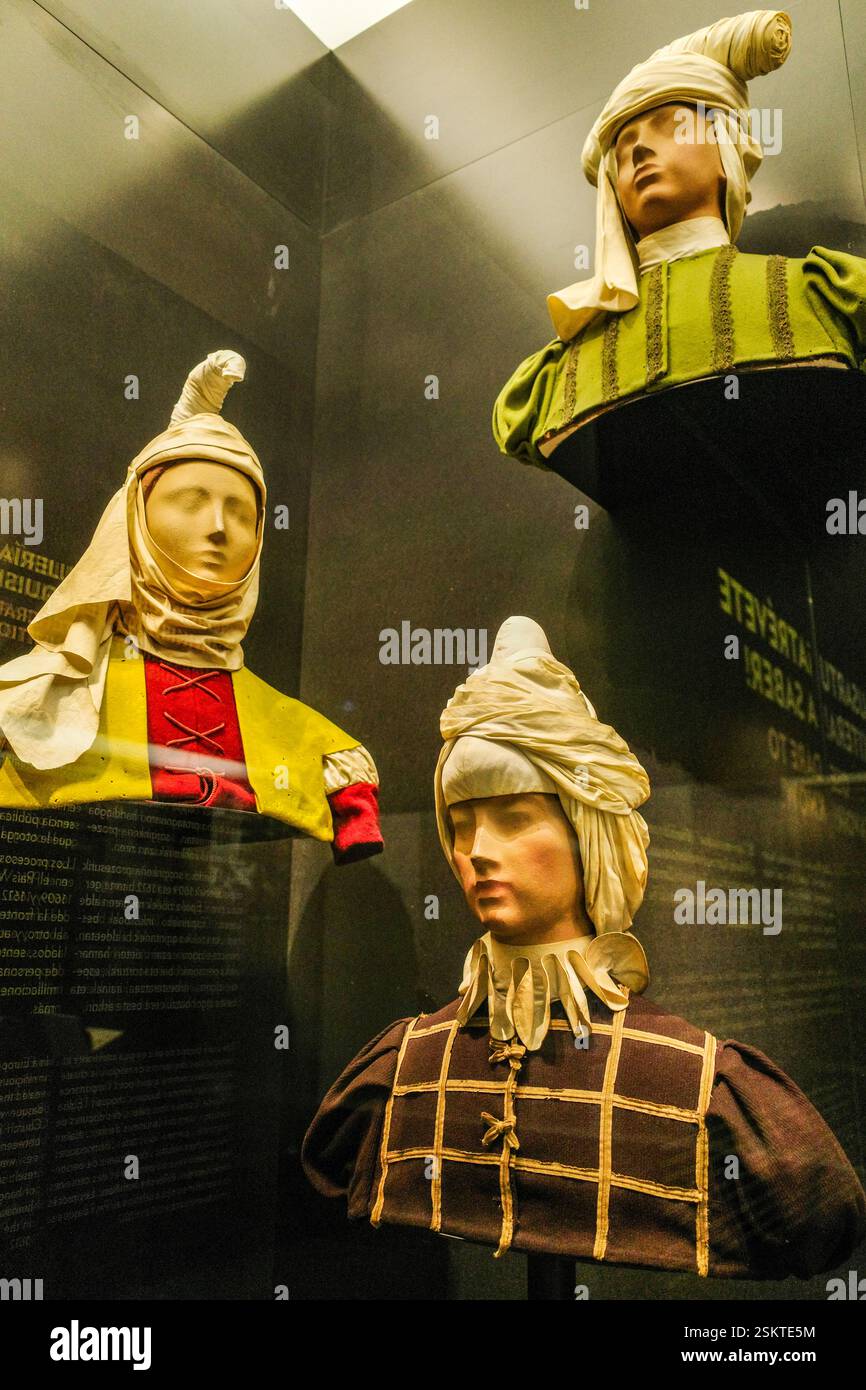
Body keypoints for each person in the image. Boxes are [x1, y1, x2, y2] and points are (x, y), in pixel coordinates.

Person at [302, 616, 866, 1277]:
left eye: (514, 819)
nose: (478, 852)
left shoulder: (698, 1086)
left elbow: (817, 1219)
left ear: (588, 833)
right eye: (460, 825)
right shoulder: (399, 1073)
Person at [0, 351, 382, 863]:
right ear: (134, 521)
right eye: (190, 502)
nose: (220, 527)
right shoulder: (37, 698)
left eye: (241, 512)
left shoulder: (308, 740)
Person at [493, 9, 866, 469]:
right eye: (625, 143)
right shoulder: (554, 378)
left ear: (726, 149)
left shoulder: (823, 293)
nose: (640, 150)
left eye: (671, 127)